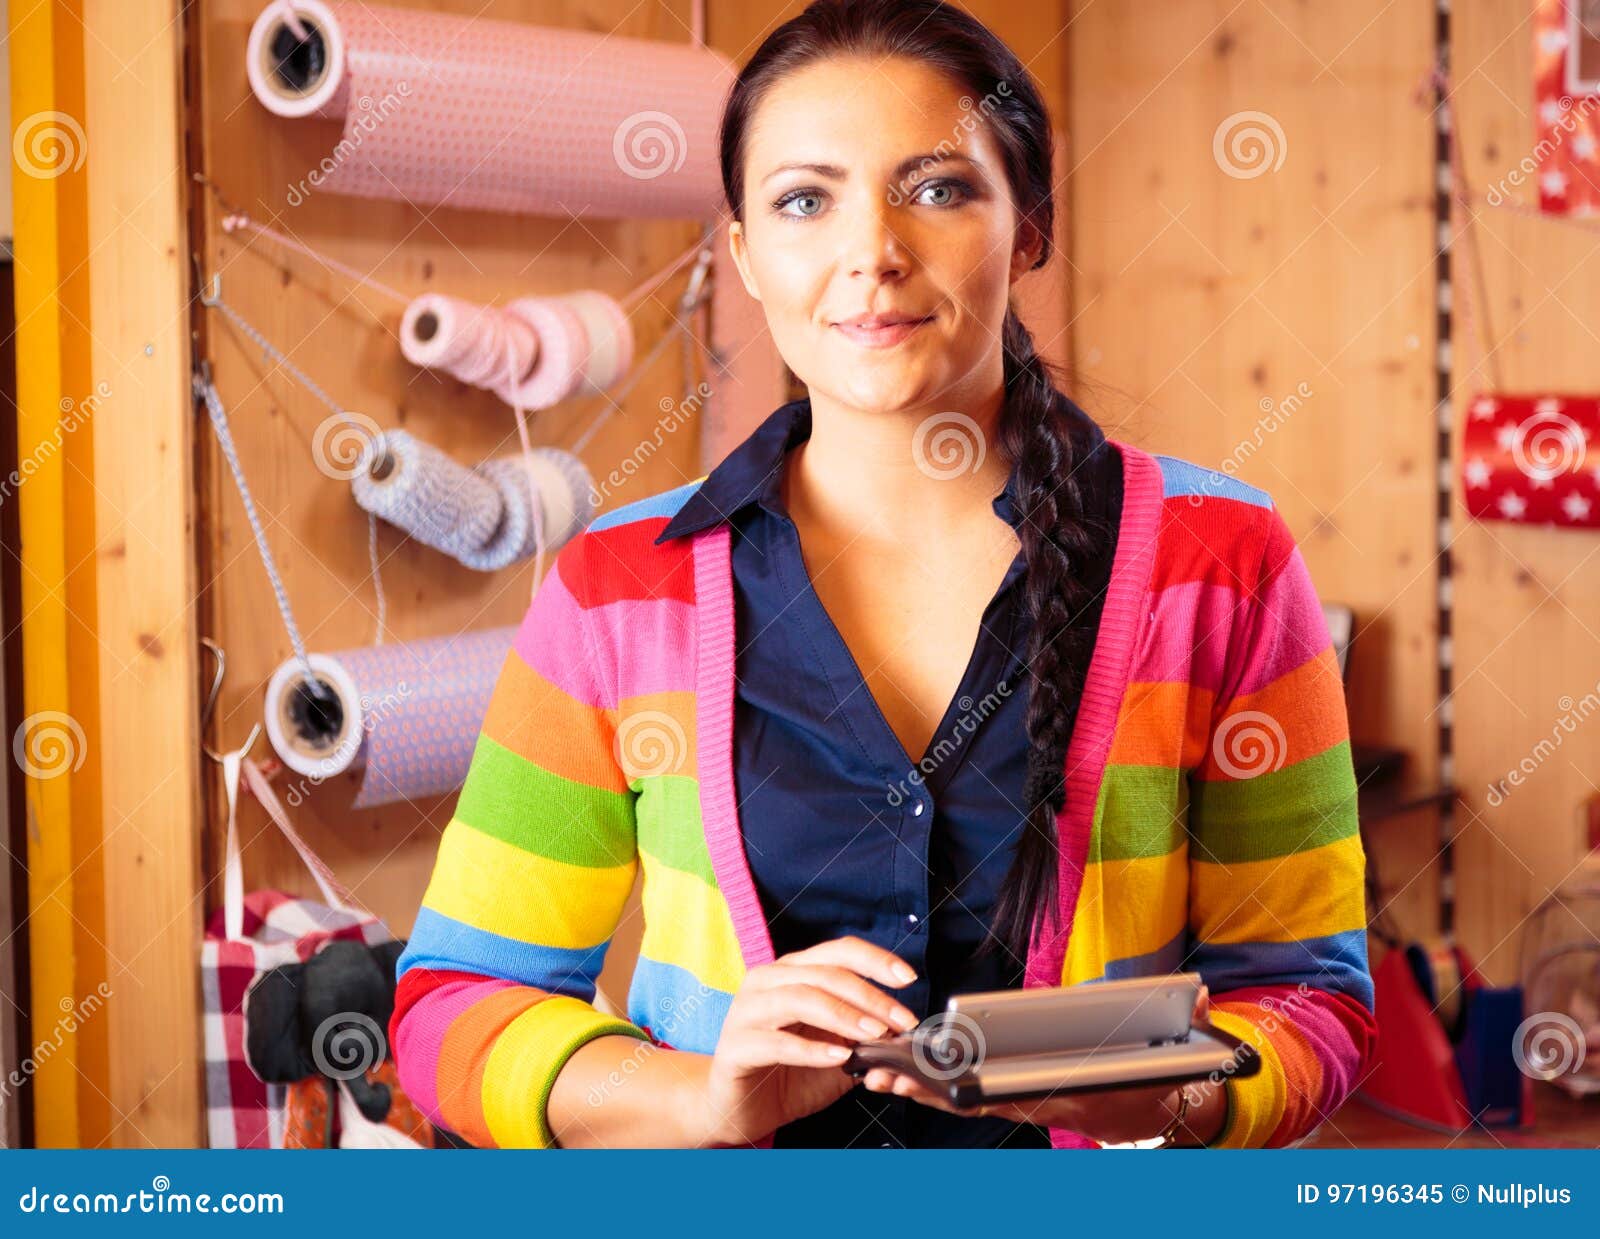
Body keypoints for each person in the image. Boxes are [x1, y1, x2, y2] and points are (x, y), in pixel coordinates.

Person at [389, 0, 1376, 1150]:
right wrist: (700, 1098)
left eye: (938, 189)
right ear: (745, 255)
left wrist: (1167, 1095)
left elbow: (1311, 998)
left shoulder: (1223, 561)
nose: (872, 254)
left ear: (1028, 229)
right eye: (804, 201)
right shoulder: (617, 588)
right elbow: (455, 1004)